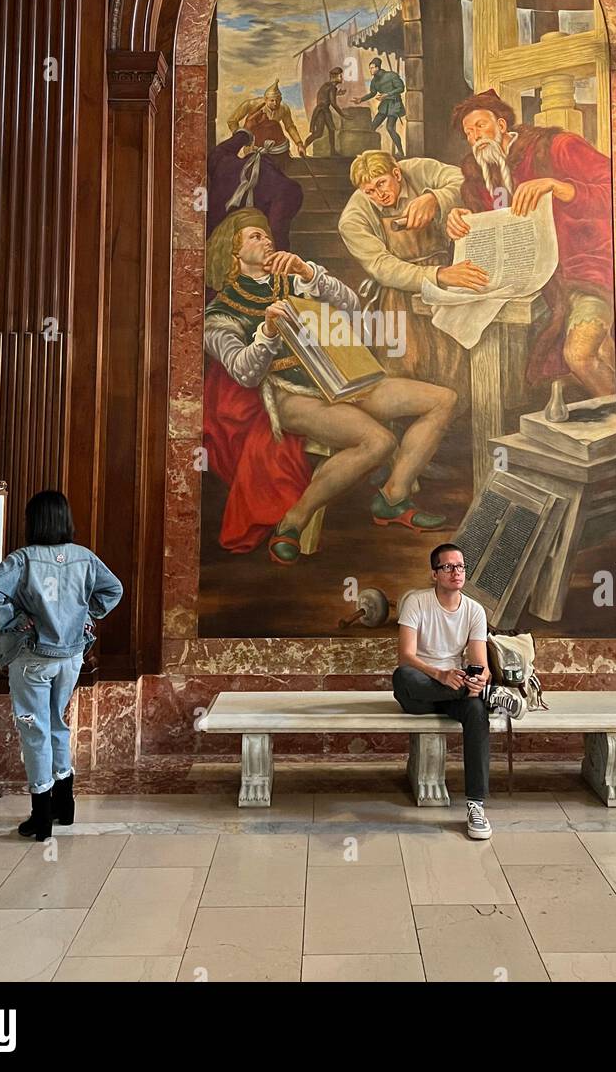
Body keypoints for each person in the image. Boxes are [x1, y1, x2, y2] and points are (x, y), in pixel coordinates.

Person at [203, 207, 457, 562]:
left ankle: (393, 496)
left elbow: (351, 307)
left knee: (443, 399)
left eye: (266, 233)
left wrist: (307, 272)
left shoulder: (292, 278)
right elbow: (245, 372)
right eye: (255, 236)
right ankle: (294, 520)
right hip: (293, 396)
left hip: (343, 377)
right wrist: (269, 331)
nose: (266, 239)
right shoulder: (221, 312)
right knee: (379, 441)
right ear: (233, 251)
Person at [0, 491, 123, 842]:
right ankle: (64, 805)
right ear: (65, 520)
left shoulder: (23, 560)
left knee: (34, 729)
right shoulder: (84, 557)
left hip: (33, 659)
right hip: (71, 657)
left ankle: (41, 816)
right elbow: (113, 590)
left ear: (33, 521)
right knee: (57, 723)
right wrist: (87, 616)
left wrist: (15, 620)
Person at [447, 89, 616, 396]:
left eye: (481, 126)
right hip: (540, 284)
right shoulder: (478, 179)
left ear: (501, 124)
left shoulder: (555, 147)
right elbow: (492, 230)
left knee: (580, 356)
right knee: (595, 358)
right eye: (468, 132)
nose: (475, 137)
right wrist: (462, 221)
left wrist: (559, 187)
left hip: (589, 270)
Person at [393, 544, 525, 840]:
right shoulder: (416, 602)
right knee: (402, 677)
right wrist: (440, 674)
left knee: (476, 710)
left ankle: (476, 806)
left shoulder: (474, 610)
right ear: (434, 574)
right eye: (449, 567)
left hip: (459, 692)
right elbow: (406, 656)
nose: (456, 572)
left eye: (461, 566)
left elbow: (480, 663)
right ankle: (491, 697)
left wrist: (480, 679)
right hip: (422, 692)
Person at [339, 149, 480, 388]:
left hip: (447, 283)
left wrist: (435, 198)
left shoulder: (418, 170)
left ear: (397, 173)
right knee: (406, 363)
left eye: (382, 184)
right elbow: (383, 267)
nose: (379, 195)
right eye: (370, 191)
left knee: (452, 360)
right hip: (398, 294)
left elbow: (465, 180)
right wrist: (438, 275)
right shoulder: (353, 218)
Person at [207, 79, 305, 250]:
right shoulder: (251, 105)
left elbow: (289, 126)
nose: (275, 104)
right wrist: (248, 141)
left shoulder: (222, 163)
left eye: (278, 100)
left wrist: (299, 142)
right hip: (252, 147)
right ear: (265, 99)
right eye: (271, 100)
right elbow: (232, 121)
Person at [356, 57, 406, 157]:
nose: (370, 70)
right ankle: (369, 153)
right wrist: (361, 99)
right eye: (370, 68)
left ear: (378, 68)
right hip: (384, 105)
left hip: (394, 104)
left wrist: (387, 94)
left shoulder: (391, 76)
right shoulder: (374, 81)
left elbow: (401, 88)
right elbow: (373, 93)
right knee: (372, 127)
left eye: (372, 67)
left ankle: (400, 152)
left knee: (390, 128)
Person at [304, 66, 348, 152]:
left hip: (322, 110)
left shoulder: (327, 85)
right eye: (340, 76)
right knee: (318, 133)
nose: (342, 78)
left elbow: (326, 96)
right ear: (335, 77)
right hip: (322, 111)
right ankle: (303, 146)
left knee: (331, 130)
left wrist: (337, 93)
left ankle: (333, 151)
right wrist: (343, 114)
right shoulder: (332, 87)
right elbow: (333, 104)